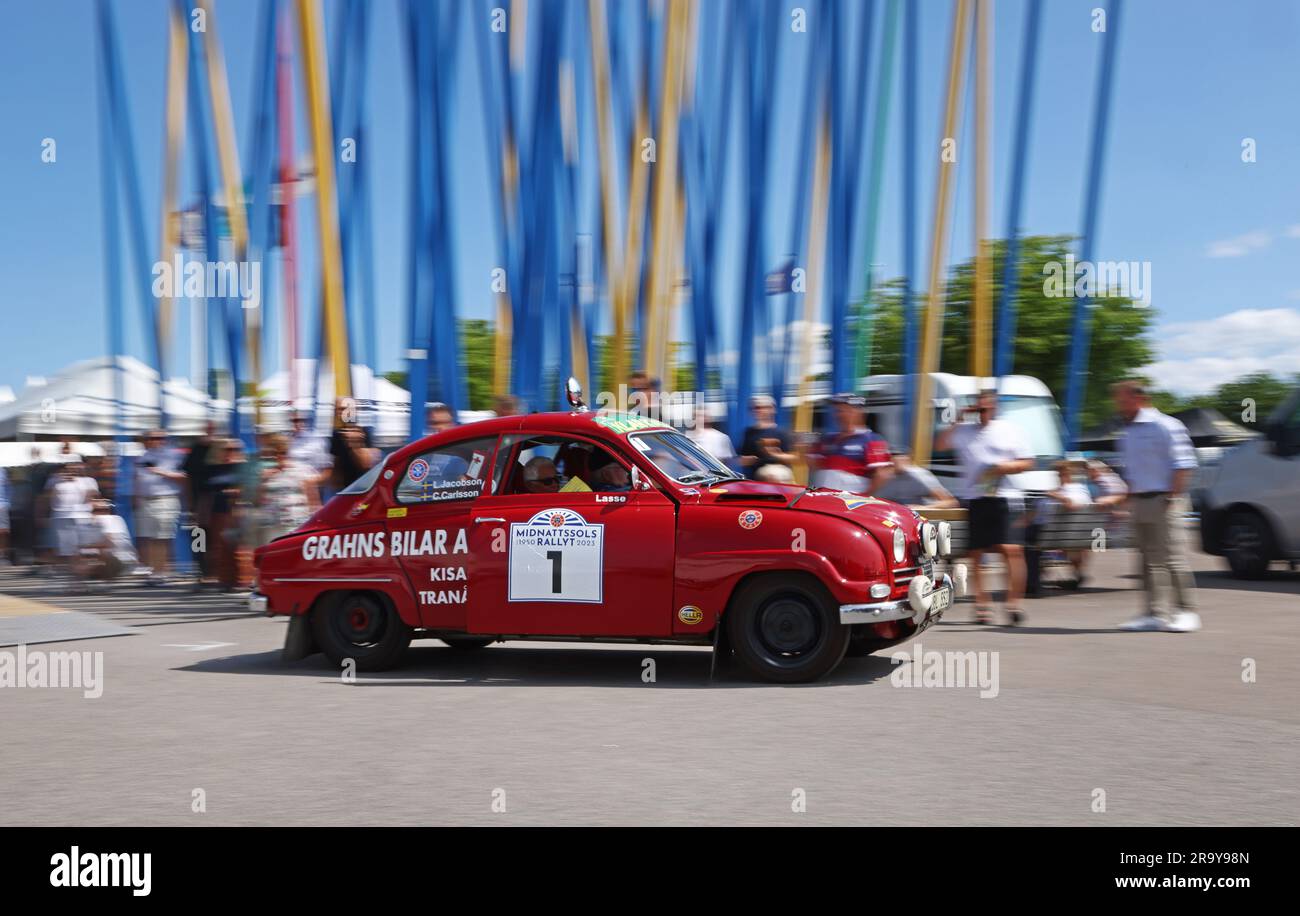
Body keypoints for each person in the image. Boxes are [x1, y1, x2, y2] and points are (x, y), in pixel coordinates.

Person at [936, 387, 1034, 625]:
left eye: (987, 406)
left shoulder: (1009, 429)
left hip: (1006, 496)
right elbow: (939, 445)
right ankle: (982, 606)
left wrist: (1004, 467)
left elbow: (1028, 462)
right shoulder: (964, 430)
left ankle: (1013, 604)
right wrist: (959, 418)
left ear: (995, 406)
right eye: (979, 406)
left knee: (1011, 550)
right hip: (977, 498)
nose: (983, 411)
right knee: (976, 553)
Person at [1112, 380, 1200, 632]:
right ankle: (1154, 614)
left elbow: (1183, 465)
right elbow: (1132, 473)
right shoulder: (1127, 433)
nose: (1119, 405)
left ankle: (1187, 611)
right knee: (1146, 561)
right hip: (1140, 501)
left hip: (1164, 499)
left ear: (1139, 398)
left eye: (1122, 400)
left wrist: (1172, 498)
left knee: (1172, 557)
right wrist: (1126, 503)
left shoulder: (1166, 425)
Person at [804, 394, 894, 495]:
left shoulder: (872, 439)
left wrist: (864, 496)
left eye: (844, 410)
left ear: (857, 412)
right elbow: (815, 465)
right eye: (837, 411)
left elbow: (882, 474)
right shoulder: (828, 439)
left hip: (849, 500)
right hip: (825, 497)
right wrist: (803, 448)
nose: (839, 415)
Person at [1026, 458, 1094, 591]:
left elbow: (1072, 505)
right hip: (1076, 534)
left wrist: (1056, 496)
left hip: (1059, 535)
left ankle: (1033, 579)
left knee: (1028, 539)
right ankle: (1076, 574)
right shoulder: (1081, 489)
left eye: (1059, 474)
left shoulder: (1071, 490)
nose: (1058, 477)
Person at [134, 430, 186, 586]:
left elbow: (184, 476)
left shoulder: (174, 455)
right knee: (148, 538)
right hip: (146, 500)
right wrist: (136, 498)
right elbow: (137, 479)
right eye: (150, 438)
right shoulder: (142, 457)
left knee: (162, 538)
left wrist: (162, 473)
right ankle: (153, 572)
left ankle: (161, 572)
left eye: (159, 438)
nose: (155, 441)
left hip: (165, 499)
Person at [258, 434, 320, 543]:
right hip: (272, 526)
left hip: (295, 525)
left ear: (288, 452)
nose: (279, 456)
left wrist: (314, 526)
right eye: (275, 453)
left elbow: (314, 502)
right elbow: (259, 500)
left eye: (283, 452)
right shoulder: (266, 474)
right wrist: (263, 482)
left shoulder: (303, 470)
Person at [45, 461, 99, 579]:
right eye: (67, 470)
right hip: (60, 517)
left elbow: (90, 497)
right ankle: (57, 568)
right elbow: (50, 500)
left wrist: (92, 513)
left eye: (73, 470)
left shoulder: (83, 482)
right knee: (60, 546)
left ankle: (78, 570)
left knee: (77, 546)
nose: (70, 472)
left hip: (77, 517)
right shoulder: (57, 484)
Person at [738, 394, 797, 480]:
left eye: (760, 407)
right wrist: (746, 460)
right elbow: (742, 458)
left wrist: (775, 454)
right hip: (754, 478)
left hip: (777, 476)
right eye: (754, 408)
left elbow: (794, 458)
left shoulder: (782, 432)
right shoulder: (749, 433)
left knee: (770, 473)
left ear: (771, 409)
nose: (757, 410)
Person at [874, 450, 957, 509]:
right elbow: (873, 502)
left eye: (899, 456)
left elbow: (950, 502)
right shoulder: (884, 478)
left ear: (907, 459)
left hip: (921, 519)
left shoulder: (919, 476)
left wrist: (924, 508)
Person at [329, 400, 379, 491]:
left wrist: (355, 444)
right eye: (339, 409)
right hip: (345, 489)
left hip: (363, 488)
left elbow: (367, 464)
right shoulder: (337, 434)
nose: (341, 412)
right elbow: (336, 466)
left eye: (345, 409)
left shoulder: (366, 431)